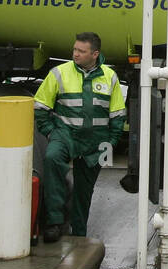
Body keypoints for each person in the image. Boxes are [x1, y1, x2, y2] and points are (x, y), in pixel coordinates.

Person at [33, 31, 126, 243]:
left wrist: (110, 143)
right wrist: (51, 132)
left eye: (81, 51)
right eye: (74, 49)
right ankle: (54, 223)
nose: (75, 54)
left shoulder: (110, 77)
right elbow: (39, 106)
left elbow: (118, 115)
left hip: (96, 141)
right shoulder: (59, 73)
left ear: (95, 54)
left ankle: (79, 234)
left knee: (85, 192)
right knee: (52, 158)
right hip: (64, 135)